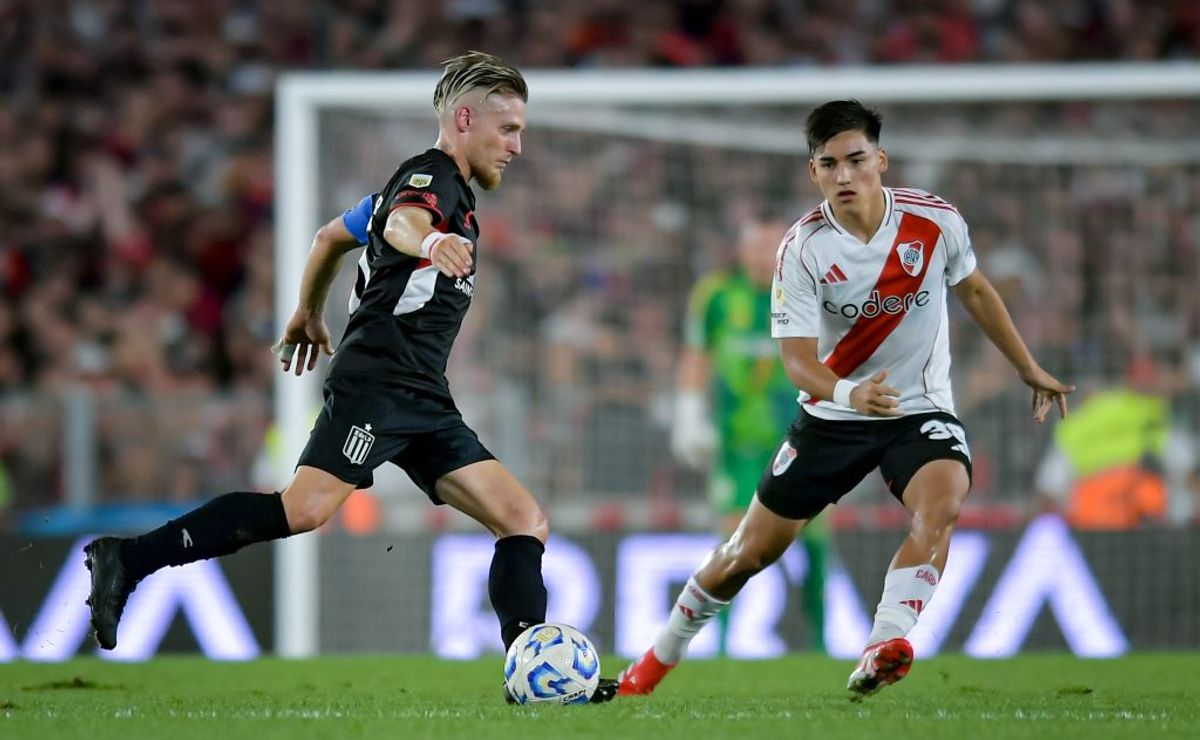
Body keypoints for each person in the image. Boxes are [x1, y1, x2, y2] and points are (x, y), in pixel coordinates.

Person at [82, 51, 617, 703]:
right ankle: (126, 560)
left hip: (422, 395)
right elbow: (402, 224)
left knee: (523, 520)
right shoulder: (432, 177)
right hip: (379, 385)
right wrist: (427, 243)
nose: (517, 146)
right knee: (303, 509)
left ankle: (532, 669)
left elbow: (328, 236)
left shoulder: (434, 187)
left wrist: (308, 311)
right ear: (465, 118)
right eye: (508, 130)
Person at [617, 99, 1073, 700]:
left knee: (942, 505)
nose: (844, 175)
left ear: (880, 159)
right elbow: (798, 363)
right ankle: (648, 668)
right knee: (745, 556)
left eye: (856, 160)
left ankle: (885, 642)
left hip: (919, 410)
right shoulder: (801, 249)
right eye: (829, 164)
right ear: (814, 173)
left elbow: (978, 292)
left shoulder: (934, 222)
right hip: (832, 418)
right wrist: (852, 393)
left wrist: (1028, 367)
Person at [671, 216, 828, 654]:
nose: (764, 257)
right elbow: (696, 356)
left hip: (801, 439)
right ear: (741, 250)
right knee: (732, 540)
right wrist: (688, 414)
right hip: (736, 442)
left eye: (771, 247)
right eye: (756, 247)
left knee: (811, 542)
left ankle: (819, 644)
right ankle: (722, 646)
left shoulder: (806, 293)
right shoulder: (717, 295)